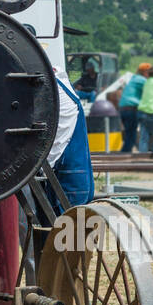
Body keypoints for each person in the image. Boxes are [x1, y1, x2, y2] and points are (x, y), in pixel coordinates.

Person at [47, 67, 95, 210]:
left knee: (66, 228)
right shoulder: (62, 87)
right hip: (75, 175)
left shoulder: (55, 93)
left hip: (67, 180)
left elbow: (54, 149)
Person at [118, 62, 151, 154]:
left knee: (130, 134)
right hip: (131, 109)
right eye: (149, 72)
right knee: (131, 136)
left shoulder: (134, 79)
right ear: (145, 72)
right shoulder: (142, 80)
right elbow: (152, 89)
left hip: (123, 109)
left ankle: (128, 154)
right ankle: (124, 156)